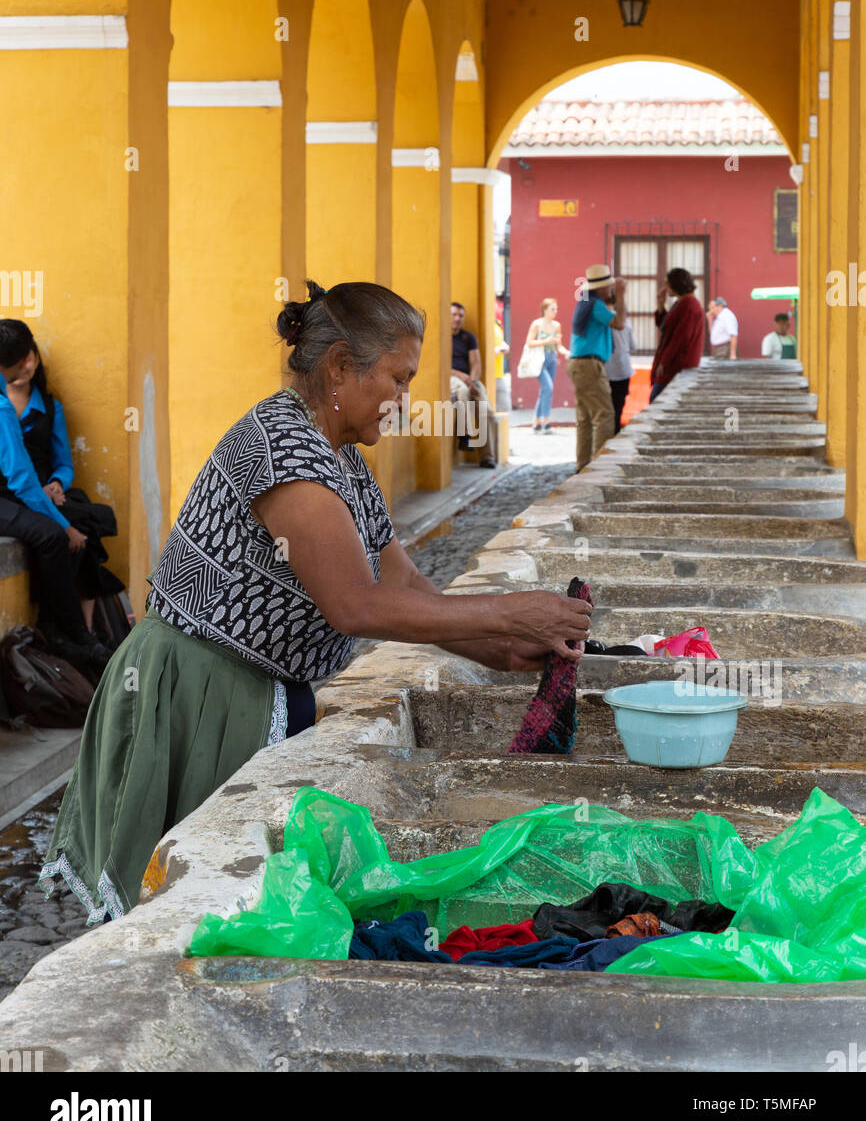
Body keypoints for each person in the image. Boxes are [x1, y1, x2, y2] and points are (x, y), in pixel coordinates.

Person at [40, 281, 593, 922]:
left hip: (257, 687)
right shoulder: (286, 452)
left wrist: (498, 649)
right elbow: (354, 604)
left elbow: (404, 583)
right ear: (338, 367)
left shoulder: (342, 457)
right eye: (398, 378)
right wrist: (510, 612)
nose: (405, 399)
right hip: (199, 689)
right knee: (192, 903)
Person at [0, 320, 119, 673]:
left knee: (87, 519)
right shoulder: (4, 406)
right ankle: (76, 633)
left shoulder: (49, 407)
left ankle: (73, 629)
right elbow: (20, 479)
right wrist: (64, 525)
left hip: (34, 491)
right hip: (18, 493)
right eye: (20, 362)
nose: (27, 367)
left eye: (30, 358)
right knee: (57, 533)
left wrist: (56, 484)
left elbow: (62, 464)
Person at [567, 265, 627, 470]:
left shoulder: (584, 301)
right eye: (609, 286)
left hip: (578, 364)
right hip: (589, 365)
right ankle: (600, 468)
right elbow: (619, 323)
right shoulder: (595, 304)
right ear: (601, 287)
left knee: (584, 418)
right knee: (605, 414)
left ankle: (583, 465)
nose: (611, 288)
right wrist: (621, 296)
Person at [450, 301, 497, 468]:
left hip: (470, 379)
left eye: (460, 316)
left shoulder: (468, 338)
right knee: (462, 391)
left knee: (487, 412)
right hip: (452, 378)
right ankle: (465, 435)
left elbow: (476, 363)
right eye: (454, 315)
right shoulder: (441, 338)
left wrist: (473, 380)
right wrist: (464, 378)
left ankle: (487, 457)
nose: (457, 319)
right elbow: (441, 367)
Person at [650, 268, 706, 402]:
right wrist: (660, 305)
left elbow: (681, 338)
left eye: (667, 284)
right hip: (673, 364)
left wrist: (664, 362)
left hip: (676, 366)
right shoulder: (682, 303)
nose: (664, 287)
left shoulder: (689, 304)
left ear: (676, 284)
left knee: (657, 401)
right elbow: (666, 327)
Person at [525, 297, 569, 432]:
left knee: (544, 390)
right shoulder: (536, 324)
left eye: (556, 309)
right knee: (548, 387)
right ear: (545, 310)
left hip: (552, 359)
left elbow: (559, 346)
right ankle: (546, 420)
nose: (555, 312)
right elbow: (529, 342)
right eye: (552, 309)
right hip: (540, 360)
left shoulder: (556, 325)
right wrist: (546, 341)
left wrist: (568, 352)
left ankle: (537, 421)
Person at [602, 289, 637, 432]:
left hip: (605, 370)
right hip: (623, 369)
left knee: (605, 410)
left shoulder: (601, 320)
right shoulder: (625, 322)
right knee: (618, 409)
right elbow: (632, 346)